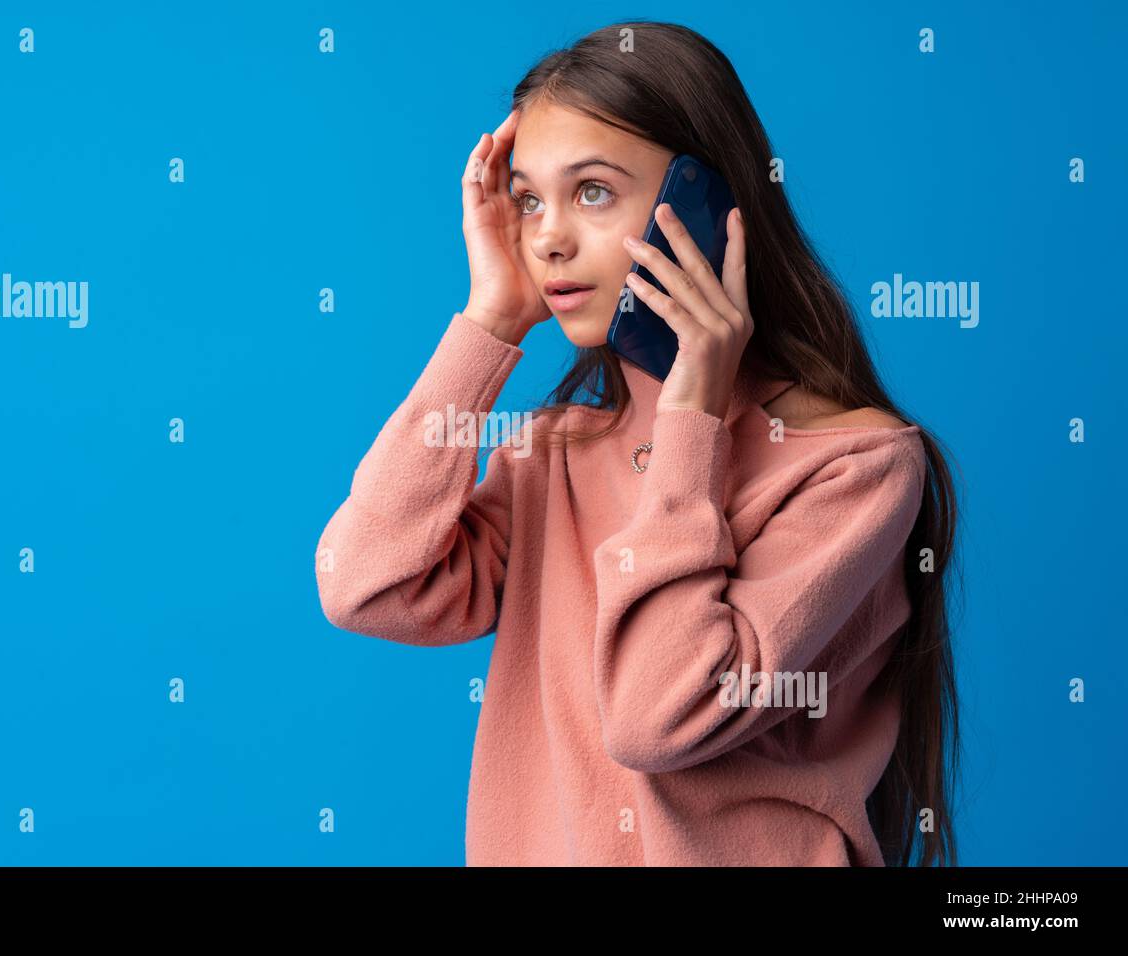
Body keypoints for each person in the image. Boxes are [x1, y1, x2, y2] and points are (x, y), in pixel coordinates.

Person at [315, 21, 961, 867]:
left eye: (591, 192)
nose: (547, 237)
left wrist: (689, 420)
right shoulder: (551, 456)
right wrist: (491, 321)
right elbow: (366, 584)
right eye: (528, 199)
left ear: (707, 208)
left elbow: (658, 715)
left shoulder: (856, 468)